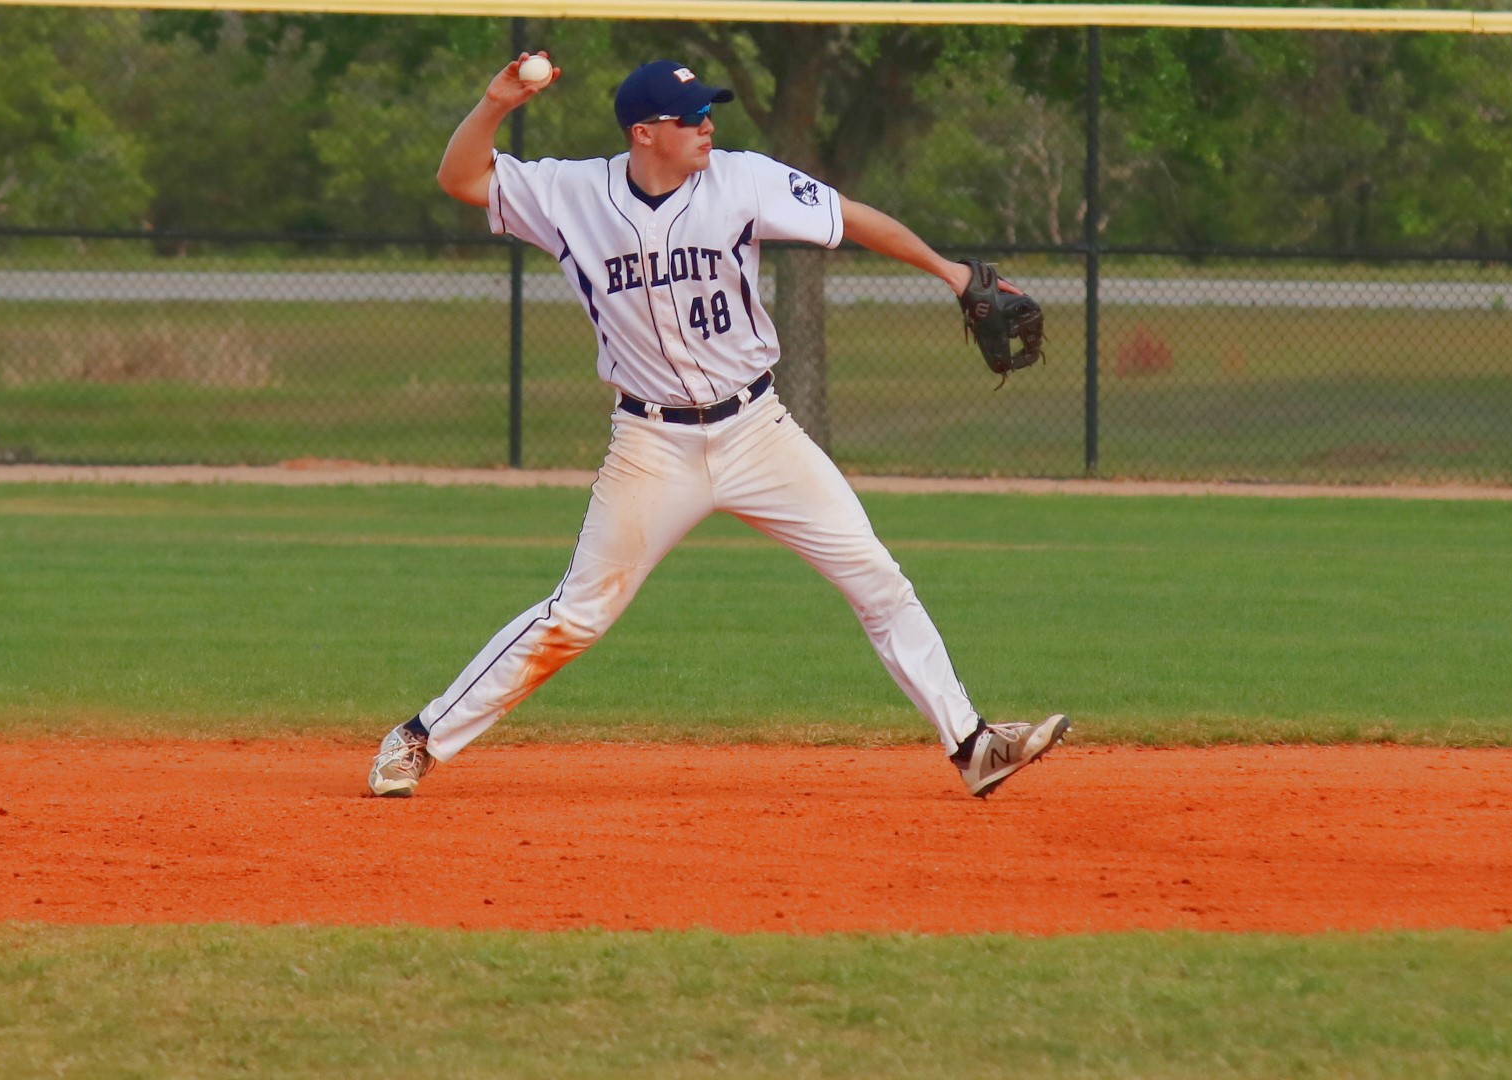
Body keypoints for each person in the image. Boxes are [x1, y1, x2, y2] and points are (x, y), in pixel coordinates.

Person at [368, 55, 1068, 799]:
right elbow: (462, 178)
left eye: (709, 110)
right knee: (577, 616)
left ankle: (973, 745)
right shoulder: (570, 194)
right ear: (644, 133)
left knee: (877, 580)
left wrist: (952, 273)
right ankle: (418, 738)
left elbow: (848, 215)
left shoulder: (742, 179)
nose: (708, 124)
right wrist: (494, 103)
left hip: (759, 431)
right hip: (651, 446)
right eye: (690, 115)